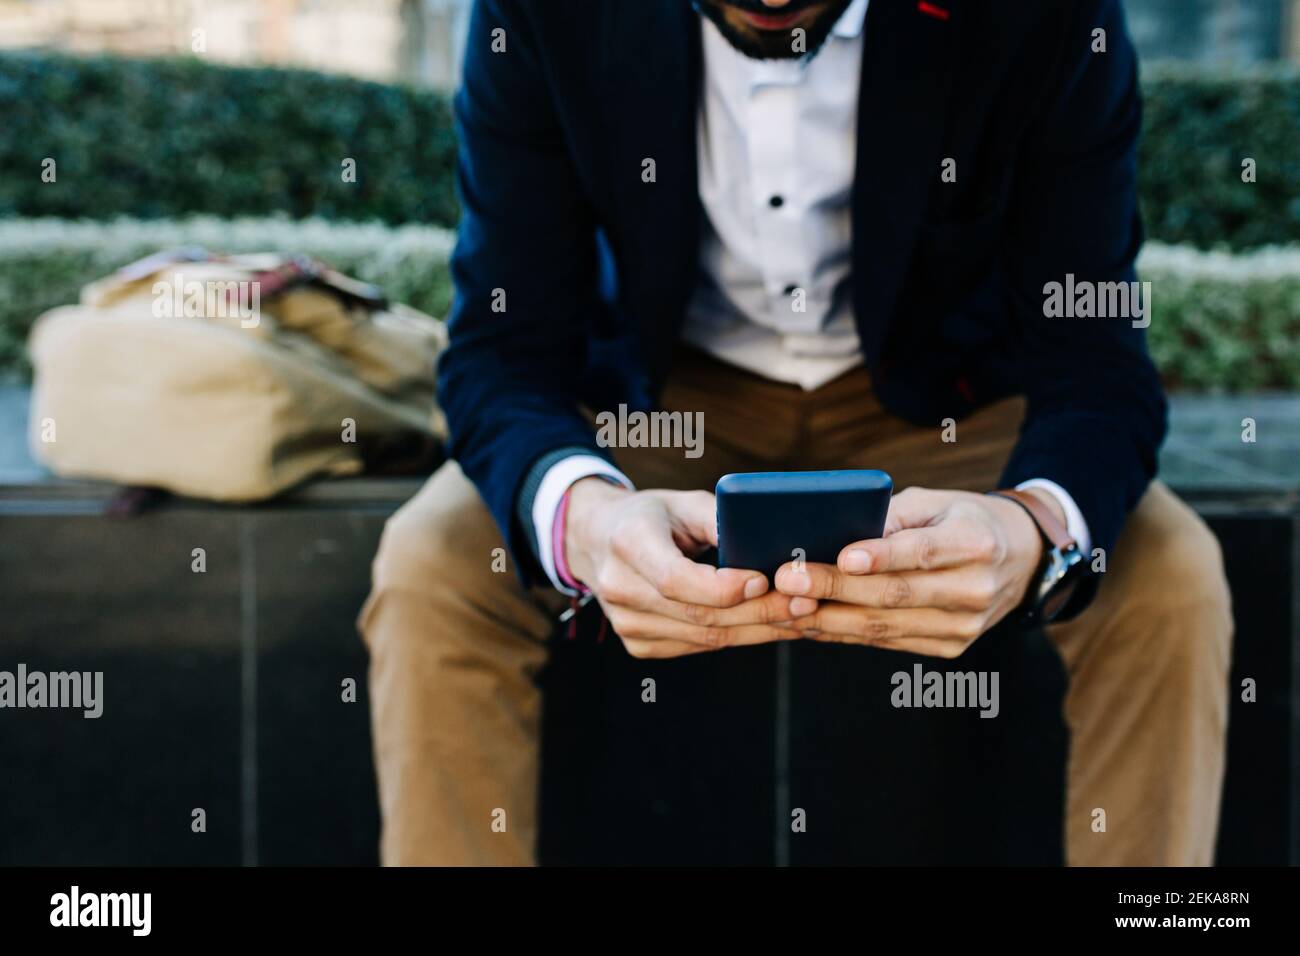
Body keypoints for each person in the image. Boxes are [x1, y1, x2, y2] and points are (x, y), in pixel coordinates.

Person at [358, 0, 1232, 866]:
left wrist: (1031, 532)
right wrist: (583, 522)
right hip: (663, 408)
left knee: (1168, 581)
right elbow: (501, 350)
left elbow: (1098, 359)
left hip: (945, 409)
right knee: (433, 564)